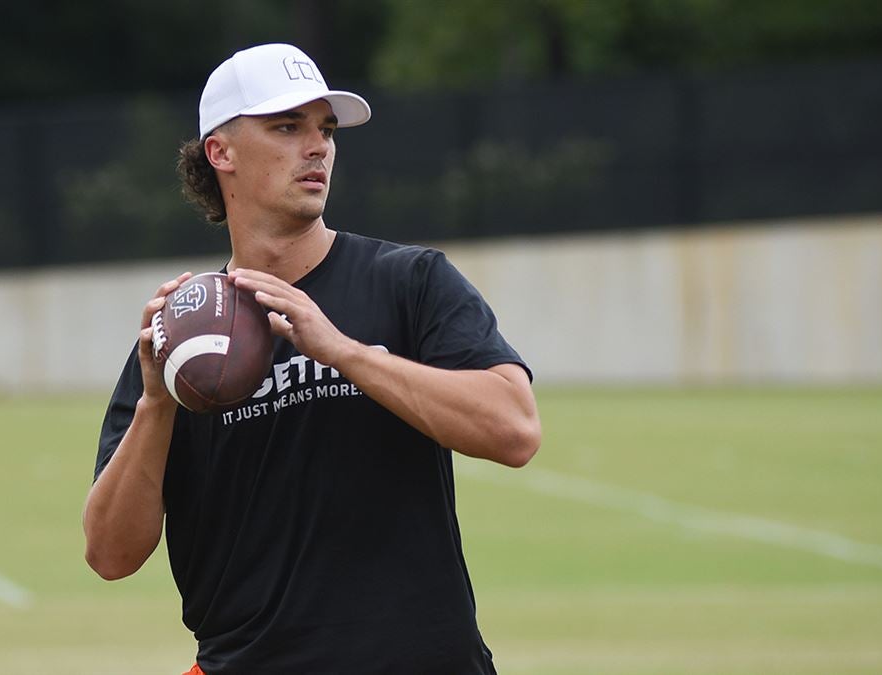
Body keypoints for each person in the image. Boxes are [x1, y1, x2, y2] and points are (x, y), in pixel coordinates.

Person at [83, 43, 541, 675]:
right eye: (287, 127)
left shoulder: (411, 281)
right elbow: (109, 555)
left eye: (325, 129)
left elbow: (515, 430)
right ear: (220, 152)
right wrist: (158, 403)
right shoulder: (182, 343)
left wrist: (343, 351)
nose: (318, 147)